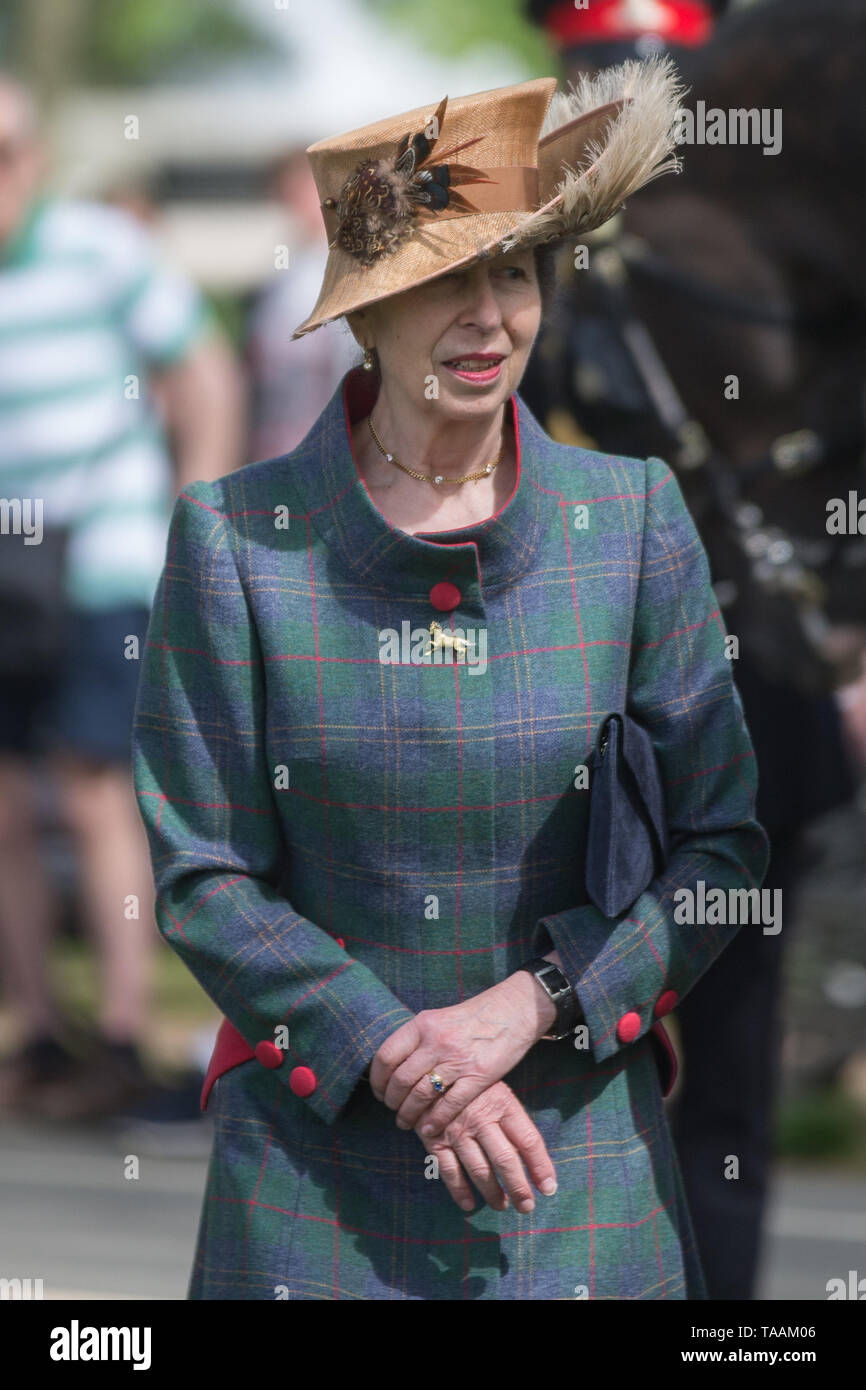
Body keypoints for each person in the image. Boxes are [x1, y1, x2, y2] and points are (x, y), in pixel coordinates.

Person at [132, 62, 769, 1300]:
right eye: (442, 280)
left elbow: (722, 853)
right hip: (315, 1193)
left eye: (512, 273)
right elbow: (202, 874)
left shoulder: (630, 518)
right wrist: (387, 1047)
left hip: (573, 1172)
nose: (488, 319)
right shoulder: (237, 539)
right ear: (368, 313)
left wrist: (528, 1006)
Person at [521, 0, 860, 1298]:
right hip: (698, 696)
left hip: (615, 701)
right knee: (703, 1076)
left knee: (650, 1067)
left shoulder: (564, 253)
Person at [0, 74, 245, 1121]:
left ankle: (122, 1034)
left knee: (95, 791)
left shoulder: (101, 248)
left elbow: (204, 373)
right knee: (6, 803)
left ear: (38, 159)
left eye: (5, 152)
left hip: (101, 562)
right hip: (9, 573)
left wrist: (195, 522)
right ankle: (41, 1033)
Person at [245, 148, 357, 460]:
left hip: (331, 446)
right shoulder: (281, 277)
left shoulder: (347, 270)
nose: (291, 201)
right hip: (279, 445)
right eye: (285, 191)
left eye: (302, 188)